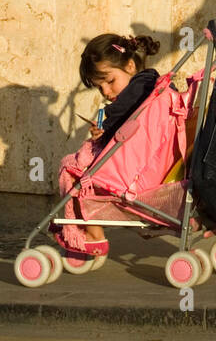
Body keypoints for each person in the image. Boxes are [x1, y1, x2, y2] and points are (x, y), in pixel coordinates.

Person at [52, 34, 160, 254]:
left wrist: (107, 127)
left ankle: (92, 235)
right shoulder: (148, 88)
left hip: (129, 169)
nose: (107, 92)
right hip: (134, 162)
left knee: (70, 168)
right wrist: (104, 131)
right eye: (100, 88)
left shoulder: (142, 86)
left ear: (130, 65)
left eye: (110, 81)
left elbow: (120, 114)